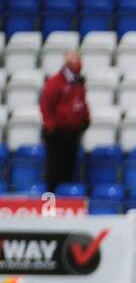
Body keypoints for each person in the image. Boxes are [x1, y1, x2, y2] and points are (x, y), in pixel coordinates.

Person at [39, 50, 90, 191]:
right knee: (55, 169)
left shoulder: (78, 82)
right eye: (74, 60)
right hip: (57, 134)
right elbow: (45, 104)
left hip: (73, 133)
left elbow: (81, 102)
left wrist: (85, 119)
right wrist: (51, 127)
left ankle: (65, 201)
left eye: (79, 60)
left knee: (69, 169)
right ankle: (52, 201)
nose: (78, 63)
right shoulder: (56, 82)